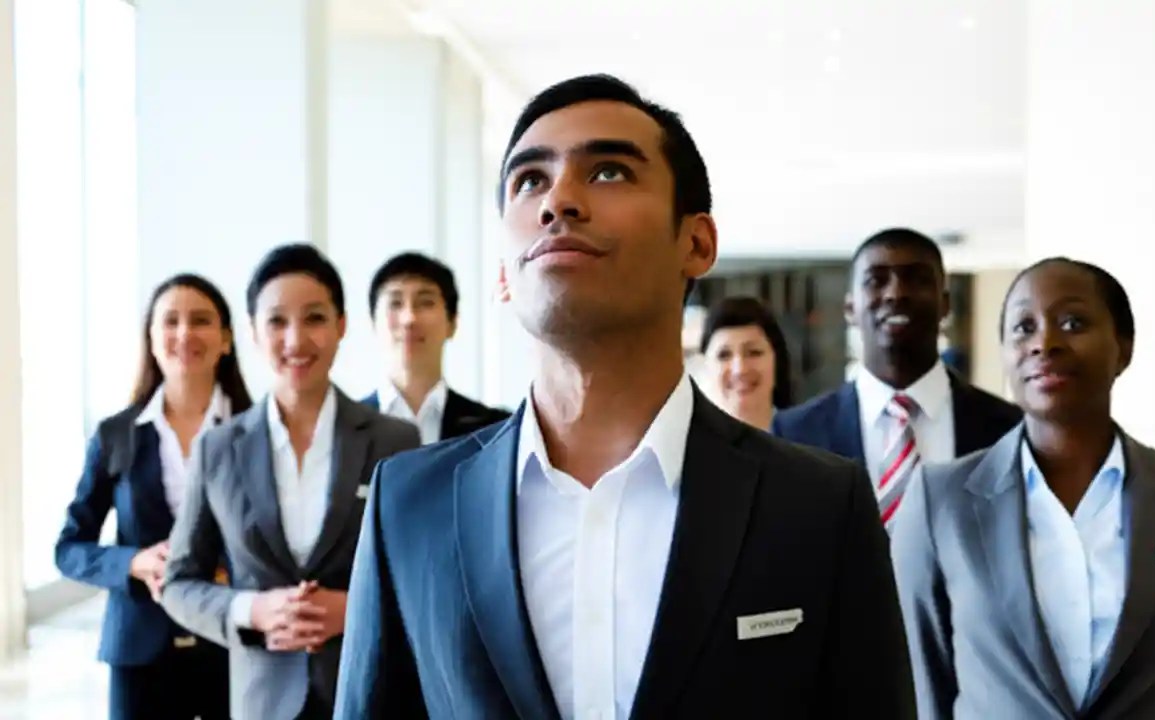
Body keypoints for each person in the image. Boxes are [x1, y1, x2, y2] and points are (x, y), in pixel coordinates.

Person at [335, 74, 915, 719]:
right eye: (529, 181)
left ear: (696, 243)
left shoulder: (818, 505)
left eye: (607, 172)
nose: (558, 201)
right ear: (502, 271)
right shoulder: (410, 506)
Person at [891, 258, 1155, 719]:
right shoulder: (939, 501)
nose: (1044, 343)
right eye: (1023, 328)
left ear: (1123, 348)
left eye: (1073, 323)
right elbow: (921, 687)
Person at [161, 244, 420, 720]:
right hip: (263, 698)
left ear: (341, 326)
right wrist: (252, 610)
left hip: (367, 689)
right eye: (277, 321)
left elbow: (422, 576)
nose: (296, 340)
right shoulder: (217, 449)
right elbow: (179, 582)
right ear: (253, 332)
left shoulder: (395, 440)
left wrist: (356, 608)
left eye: (315, 318)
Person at [55, 273, 252, 720]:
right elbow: (69, 549)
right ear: (151, 338)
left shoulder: (258, 430)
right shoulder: (115, 435)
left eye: (200, 320)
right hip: (139, 650)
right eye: (171, 321)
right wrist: (134, 563)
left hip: (232, 642)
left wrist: (233, 567)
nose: (184, 333)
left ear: (226, 339)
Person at [772, 228, 1021, 525]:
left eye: (916, 279)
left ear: (945, 304)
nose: (896, 293)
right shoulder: (796, 435)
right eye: (876, 281)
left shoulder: (1008, 429)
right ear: (850, 308)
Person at [360, 251, 509, 442]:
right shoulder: (341, 428)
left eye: (425, 303)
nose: (409, 319)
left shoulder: (497, 429)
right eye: (395, 303)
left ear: (452, 322)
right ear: (373, 322)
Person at [697, 295, 792, 430]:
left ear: (777, 360)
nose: (740, 369)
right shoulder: (683, 440)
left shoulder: (811, 438)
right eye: (724, 355)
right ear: (704, 366)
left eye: (754, 352)